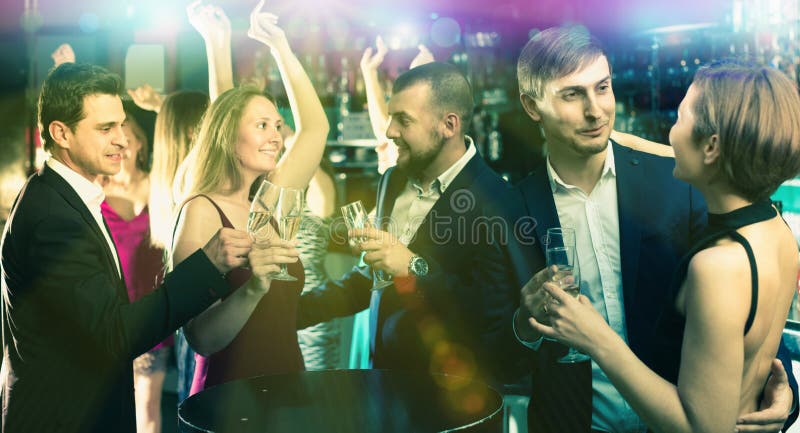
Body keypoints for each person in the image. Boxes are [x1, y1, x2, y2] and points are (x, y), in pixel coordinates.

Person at [509, 26, 798, 433]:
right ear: (532, 106)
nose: (596, 111)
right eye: (572, 95)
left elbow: (745, 310)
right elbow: (496, 350)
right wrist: (524, 322)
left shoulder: (684, 187)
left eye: (603, 88)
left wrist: (781, 387)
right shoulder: (511, 207)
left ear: (711, 146)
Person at [0, 62, 250, 433]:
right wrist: (206, 265)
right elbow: (114, 336)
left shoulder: (67, 196)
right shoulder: (53, 217)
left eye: (121, 125)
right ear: (61, 133)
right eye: (106, 128)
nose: (123, 140)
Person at [295, 61, 521, 383]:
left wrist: (414, 266)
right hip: (382, 382)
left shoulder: (498, 200)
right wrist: (287, 315)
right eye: (391, 117)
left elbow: (491, 319)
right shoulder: (393, 180)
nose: (390, 131)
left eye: (404, 120)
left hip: (451, 395)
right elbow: (373, 279)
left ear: (449, 125)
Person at [171, 0, 329, 393]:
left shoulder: (269, 202)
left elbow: (315, 129)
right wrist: (255, 289)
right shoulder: (201, 211)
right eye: (262, 125)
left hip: (290, 390)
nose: (276, 135)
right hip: (229, 399)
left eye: (278, 125)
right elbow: (201, 337)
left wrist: (280, 47)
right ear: (227, 135)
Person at [99, 103, 169, 433]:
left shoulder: (159, 186)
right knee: (106, 407)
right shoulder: (94, 191)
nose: (121, 147)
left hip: (149, 315)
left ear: (141, 144)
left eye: (127, 140)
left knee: (148, 408)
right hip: (106, 318)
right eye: (114, 141)